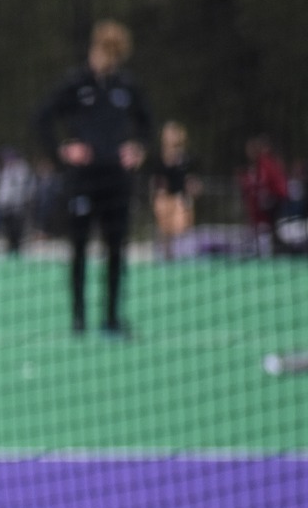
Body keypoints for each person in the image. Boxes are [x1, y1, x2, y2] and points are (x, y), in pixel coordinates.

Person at [35, 20, 152, 337]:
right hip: (83, 181)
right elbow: (43, 117)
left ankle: (112, 317)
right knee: (79, 248)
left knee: (116, 248)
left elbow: (147, 125)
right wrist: (62, 149)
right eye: (103, 51)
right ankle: (78, 318)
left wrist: (138, 148)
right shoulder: (75, 84)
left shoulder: (127, 87)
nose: (106, 59)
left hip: (117, 181)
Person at [149, 121, 198, 259]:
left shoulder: (185, 157)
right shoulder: (158, 156)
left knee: (181, 226)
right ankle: (165, 254)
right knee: (164, 227)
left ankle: (178, 253)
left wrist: (191, 187)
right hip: (164, 197)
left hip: (179, 196)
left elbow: (189, 177)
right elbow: (155, 178)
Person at [0, 147, 33, 256]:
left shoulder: (22, 170)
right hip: (6, 206)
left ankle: (17, 249)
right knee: (8, 229)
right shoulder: (3, 171)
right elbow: (1, 189)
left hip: (19, 205)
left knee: (18, 229)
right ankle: (11, 248)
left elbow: (27, 187)